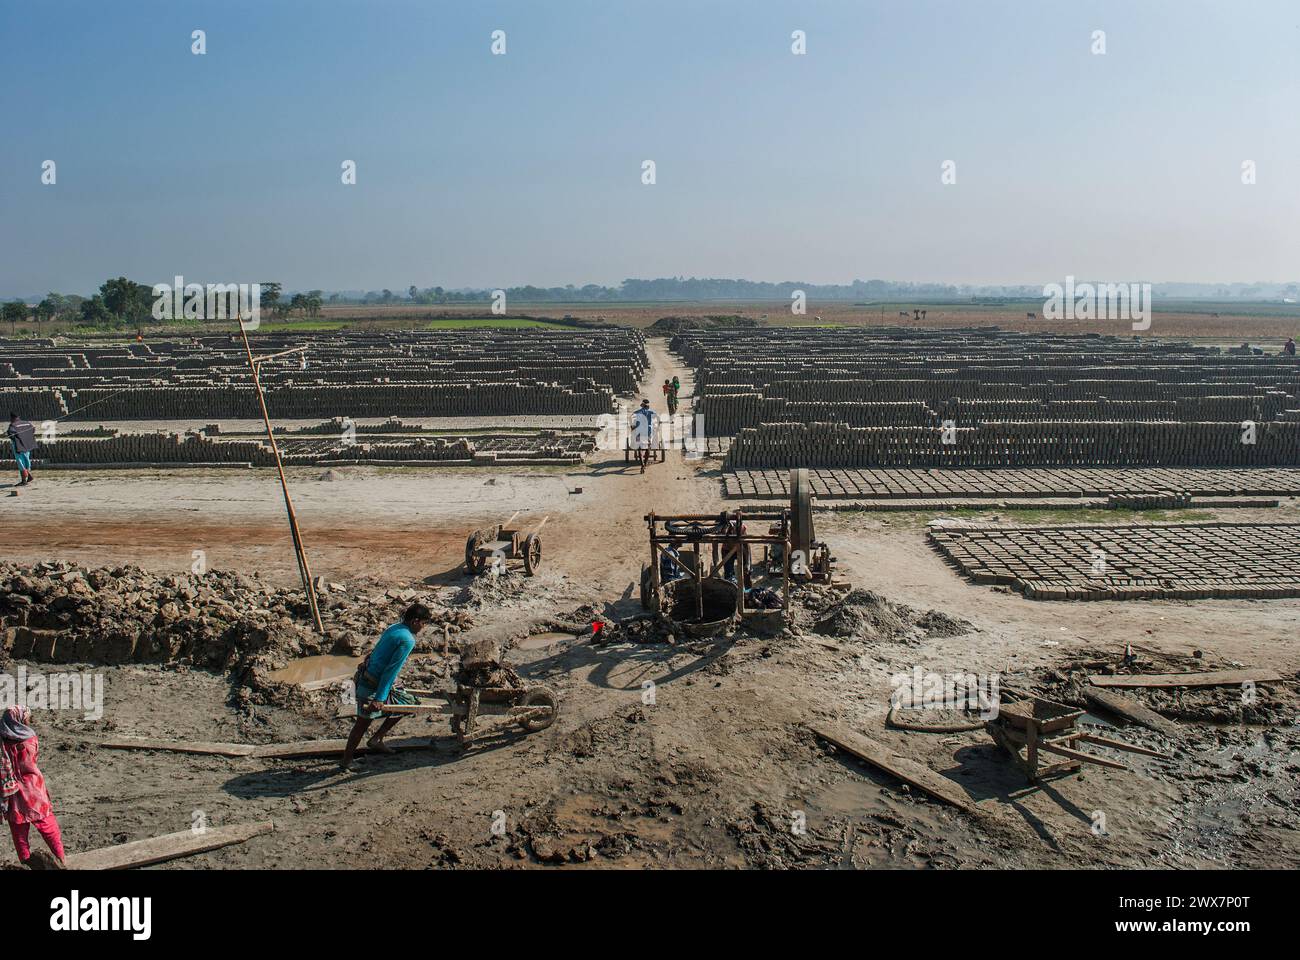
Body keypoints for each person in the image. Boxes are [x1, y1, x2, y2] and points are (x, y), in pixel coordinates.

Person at [340, 602, 432, 770]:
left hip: (368, 674)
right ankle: (346, 761)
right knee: (362, 723)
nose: (423, 627)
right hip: (373, 683)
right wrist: (380, 698)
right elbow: (390, 670)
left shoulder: (395, 628)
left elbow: (375, 651)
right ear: (415, 621)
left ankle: (377, 739)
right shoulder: (407, 639)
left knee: (408, 703)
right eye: (423, 623)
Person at [1, 706, 65, 866]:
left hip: (12, 793)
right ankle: (61, 860)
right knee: (48, 826)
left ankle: (27, 863)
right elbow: (32, 760)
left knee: (19, 833)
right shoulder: (30, 739)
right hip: (33, 790)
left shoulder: (2, 742)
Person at [7, 412, 36, 486]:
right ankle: (28, 476)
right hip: (27, 445)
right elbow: (33, 430)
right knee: (27, 460)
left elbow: (10, 434)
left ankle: (24, 481)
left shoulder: (12, 425)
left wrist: (18, 439)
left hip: (18, 446)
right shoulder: (27, 423)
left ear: (12, 418)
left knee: (20, 462)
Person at [631, 398, 657, 474]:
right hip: (648, 432)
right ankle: (645, 464)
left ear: (642, 405)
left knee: (640, 448)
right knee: (647, 448)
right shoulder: (651, 412)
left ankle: (642, 464)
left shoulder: (637, 412)